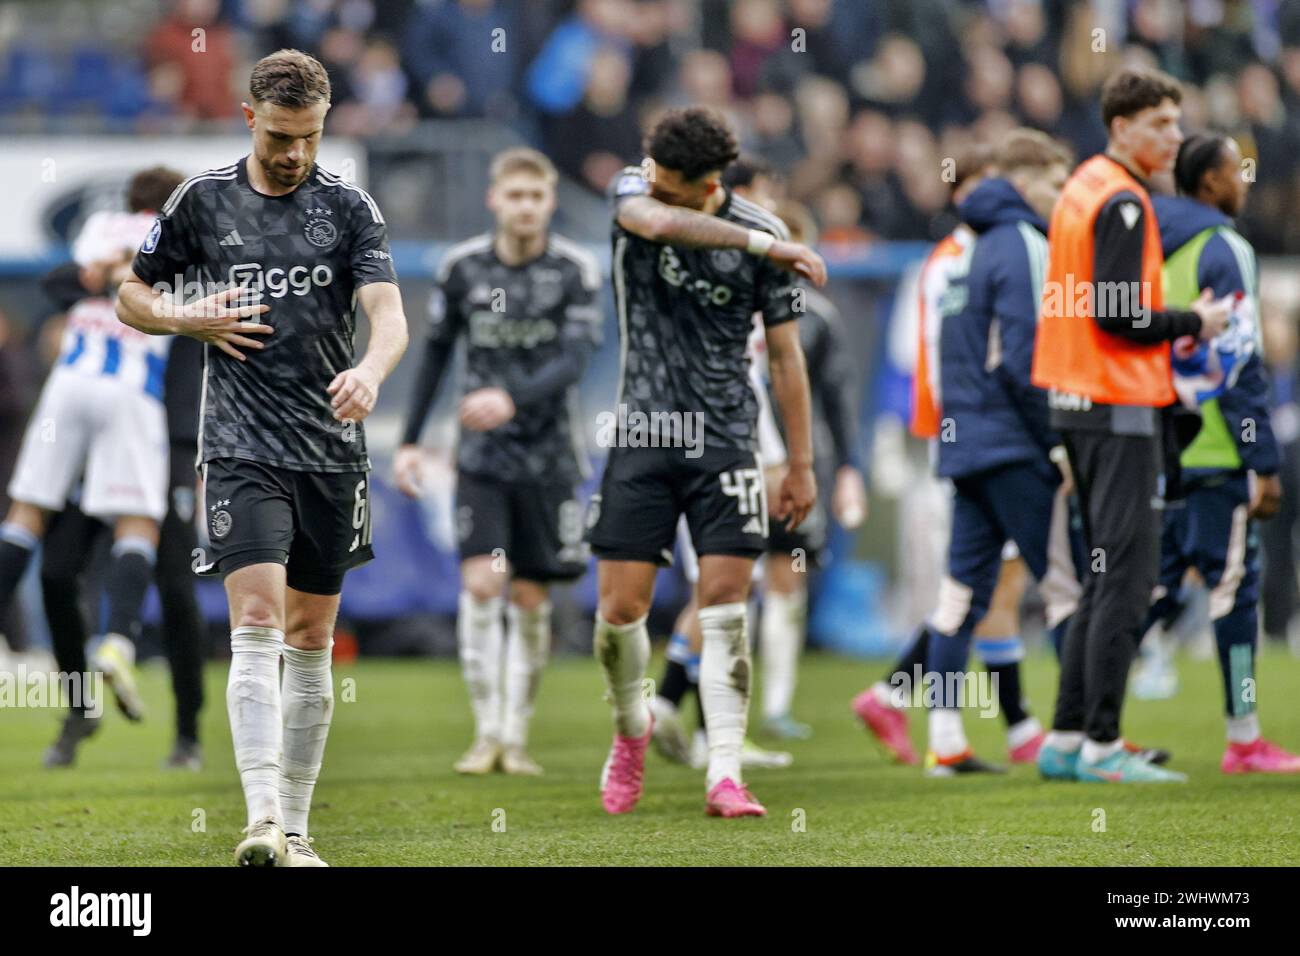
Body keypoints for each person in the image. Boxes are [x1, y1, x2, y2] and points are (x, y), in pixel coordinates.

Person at [117, 49, 409, 866]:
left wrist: (371, 371)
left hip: (331, 451)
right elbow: (129, 295)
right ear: (251, 118)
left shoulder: (350, 207)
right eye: (282, 136)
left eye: (310, 137)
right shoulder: (200, 201)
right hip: (241, 445)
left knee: (312, 639)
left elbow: (388, 314)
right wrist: (186, 318)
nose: (295, 153)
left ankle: (301, 831)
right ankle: (263, 821)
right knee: (255, 620)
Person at [586, 107, 826, 818]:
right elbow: (655, 226)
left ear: (708, 183)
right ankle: (632, 730)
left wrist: (803, 463)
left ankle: (724, 771)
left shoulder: (767, 235)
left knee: (725, 604)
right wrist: (763, 244)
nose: (652, 186)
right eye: (651, 174)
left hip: (725, 437)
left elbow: (786, 358)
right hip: (645, 431)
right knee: (618, 613)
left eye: (668, 181)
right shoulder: (636, 192)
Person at [1031, 68, 1231, 784]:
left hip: (1078, 401)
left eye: (1178, 125)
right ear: (1123, 127)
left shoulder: (1082, 185)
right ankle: (1103, 746)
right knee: (1129, 577)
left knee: (1101, 574)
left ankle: (1065, 737)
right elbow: (1120, 314)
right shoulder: (1119, 199)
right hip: (1116, 405)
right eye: (1161, 125)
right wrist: (1196, 321)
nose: (1174, 138)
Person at [862, 131, 1080, 775]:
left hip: (959, 437)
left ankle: (951, 730)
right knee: (1057, 581)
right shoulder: (1014, 248)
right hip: (997, 435)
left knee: (969, 591)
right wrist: (1056, 439)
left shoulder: (953, 256)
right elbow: (1016, 358)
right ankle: (1080, 734)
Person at [394, 147, 601, 777]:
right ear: (495, 200)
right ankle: (486, 733)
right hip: (480, 458)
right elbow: (432, 356)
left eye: (536, 197)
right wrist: (409, 438)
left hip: (549, 456)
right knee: (482, 583)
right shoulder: (462, 269)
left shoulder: (575, 269)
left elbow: (574, 360)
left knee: (532, 597)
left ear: (550, 202)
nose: (526, 207)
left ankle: (516, 735)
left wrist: (511, 397)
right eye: (515, 196)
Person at [37, 167, 209, 772]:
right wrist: (108, 269)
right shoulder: (113, 274)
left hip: (166, 445)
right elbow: (57, 282)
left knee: (174, 588)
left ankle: (187, 732)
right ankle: (80, 709)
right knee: (58, 573)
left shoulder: (189, 274)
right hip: (98, 444)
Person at [1144, 132, 1300, 773]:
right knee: (1234, 593)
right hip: (1218, 451)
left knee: (1147, 592)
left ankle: (1081, 729)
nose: (1247, 180)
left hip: (1163, 448)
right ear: (1209, 181)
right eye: (1237, 170)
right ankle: (1243, 738)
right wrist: (1261, 458)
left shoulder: (1153, 246)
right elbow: (1238, 367)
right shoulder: (1226, 248)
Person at [0, 186, 171, 733]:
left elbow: (63, 282)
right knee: (137, 522)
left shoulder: (100, 226)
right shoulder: (184, 228)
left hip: (70, 381)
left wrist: (101, 271)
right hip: (133, 385)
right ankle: (118, 640)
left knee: (24, 514)